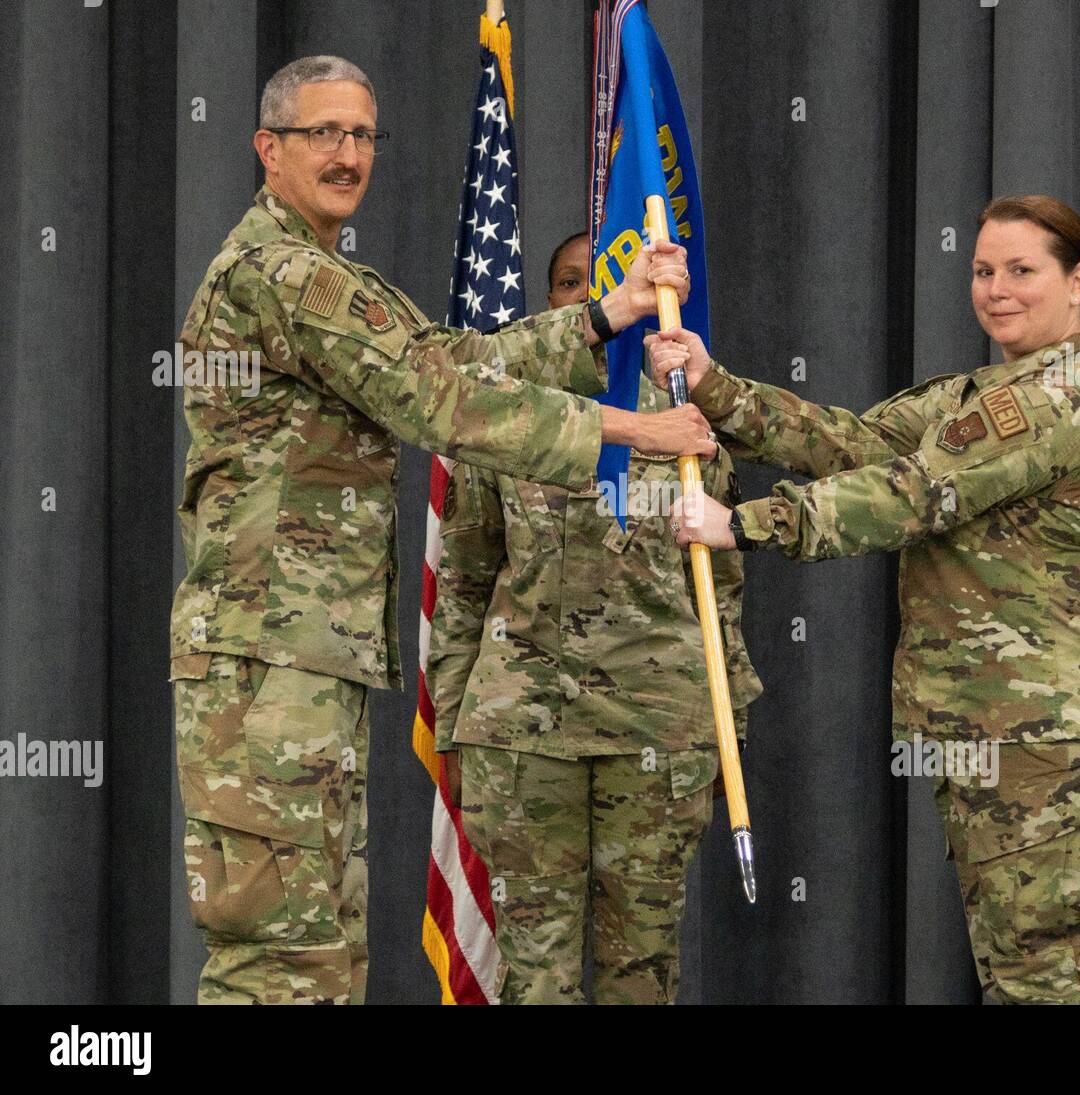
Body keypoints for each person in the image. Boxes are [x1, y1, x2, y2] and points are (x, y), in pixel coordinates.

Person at [169, 55, 715, 1006]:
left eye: (363, 135)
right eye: (322, 134)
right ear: (268, 149)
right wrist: (632, 429)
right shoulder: (281, 274)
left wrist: (604, 316)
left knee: (322, 949)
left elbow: (444, 354)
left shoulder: (320, 272)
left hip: (298, 660)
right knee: (280, 960)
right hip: (267, 666)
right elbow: (442, 398)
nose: (347, 155)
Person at [648, 195, 1080, 1005]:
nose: (997, 289)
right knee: (1020, 975)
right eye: (984, 270)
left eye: (1023, 270)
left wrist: (741, 525)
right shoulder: (982, 395)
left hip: (1049, 733)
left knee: (1057, 984)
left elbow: (913, 493)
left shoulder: (1071, 396)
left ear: (1078, 280)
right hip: (999, 727)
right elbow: (853, 444)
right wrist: (715, 388)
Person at [429, 233, 762, 1004]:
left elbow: (723, 588)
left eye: (601, 282)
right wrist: (453, 725)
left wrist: (727, 733)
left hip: (659, 726)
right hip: (521, 734)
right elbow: (466, 580)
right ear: (549, 303)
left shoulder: (686, 418)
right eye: (569, 283)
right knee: (536, 980)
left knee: (639, 977)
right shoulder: (503, 421)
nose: (585, 296)